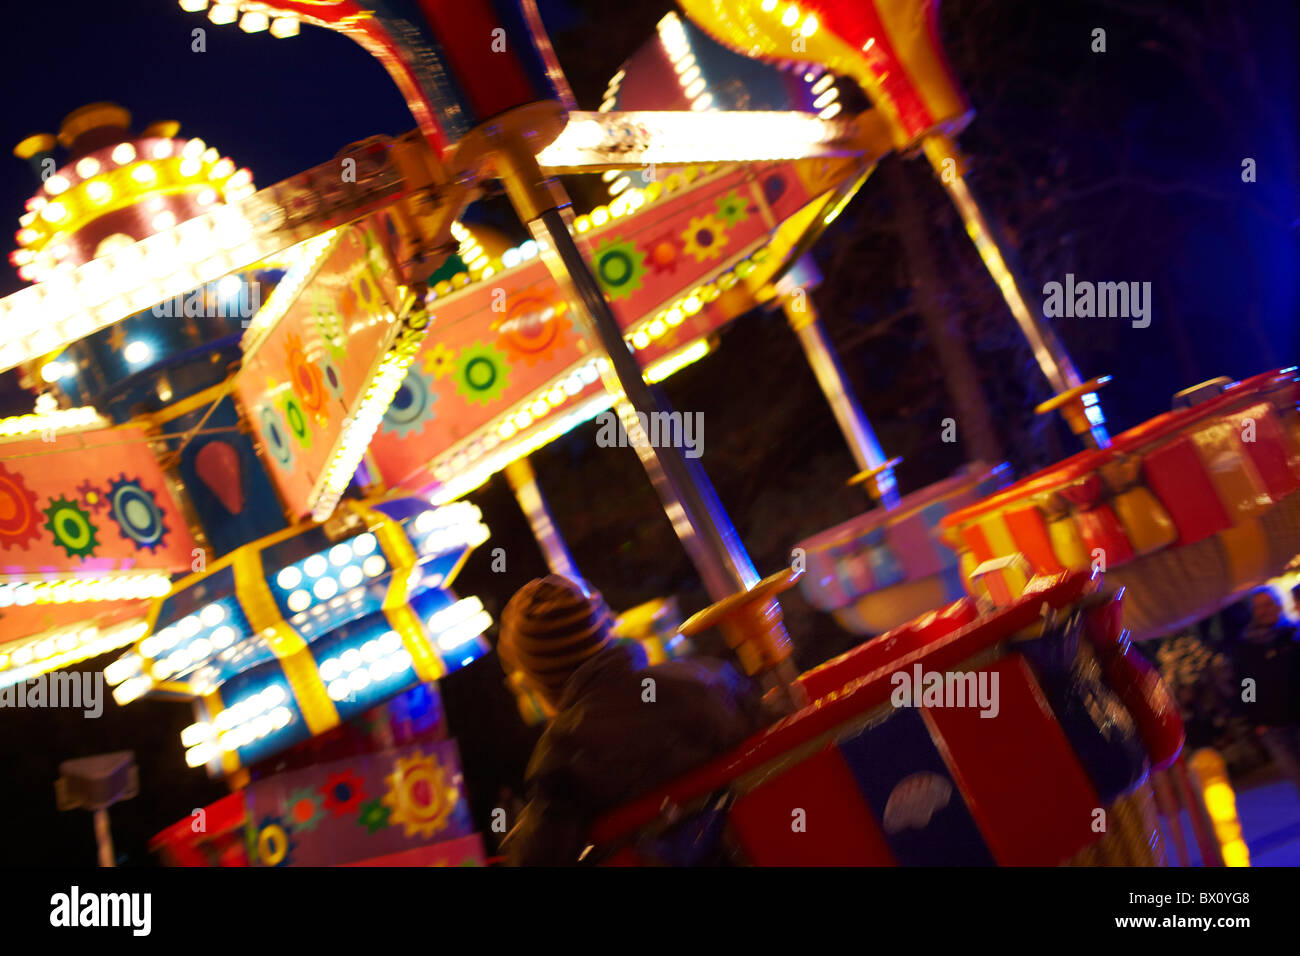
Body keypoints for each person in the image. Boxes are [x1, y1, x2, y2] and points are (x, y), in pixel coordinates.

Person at [497, 575, 772, 865]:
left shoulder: (563, 754)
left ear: (544, 682)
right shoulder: (710, 681)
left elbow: (539, 858)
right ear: (606, 636)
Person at [1229, 588, 1300, 794]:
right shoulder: (1247, 646)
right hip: (1273, 726)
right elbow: (1246, 684)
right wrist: (1256, 719)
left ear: (1278, 606)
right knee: (1295, 774)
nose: (1264, 610)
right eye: (1259, 606)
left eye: (1268, 604)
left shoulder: (1293, 635)